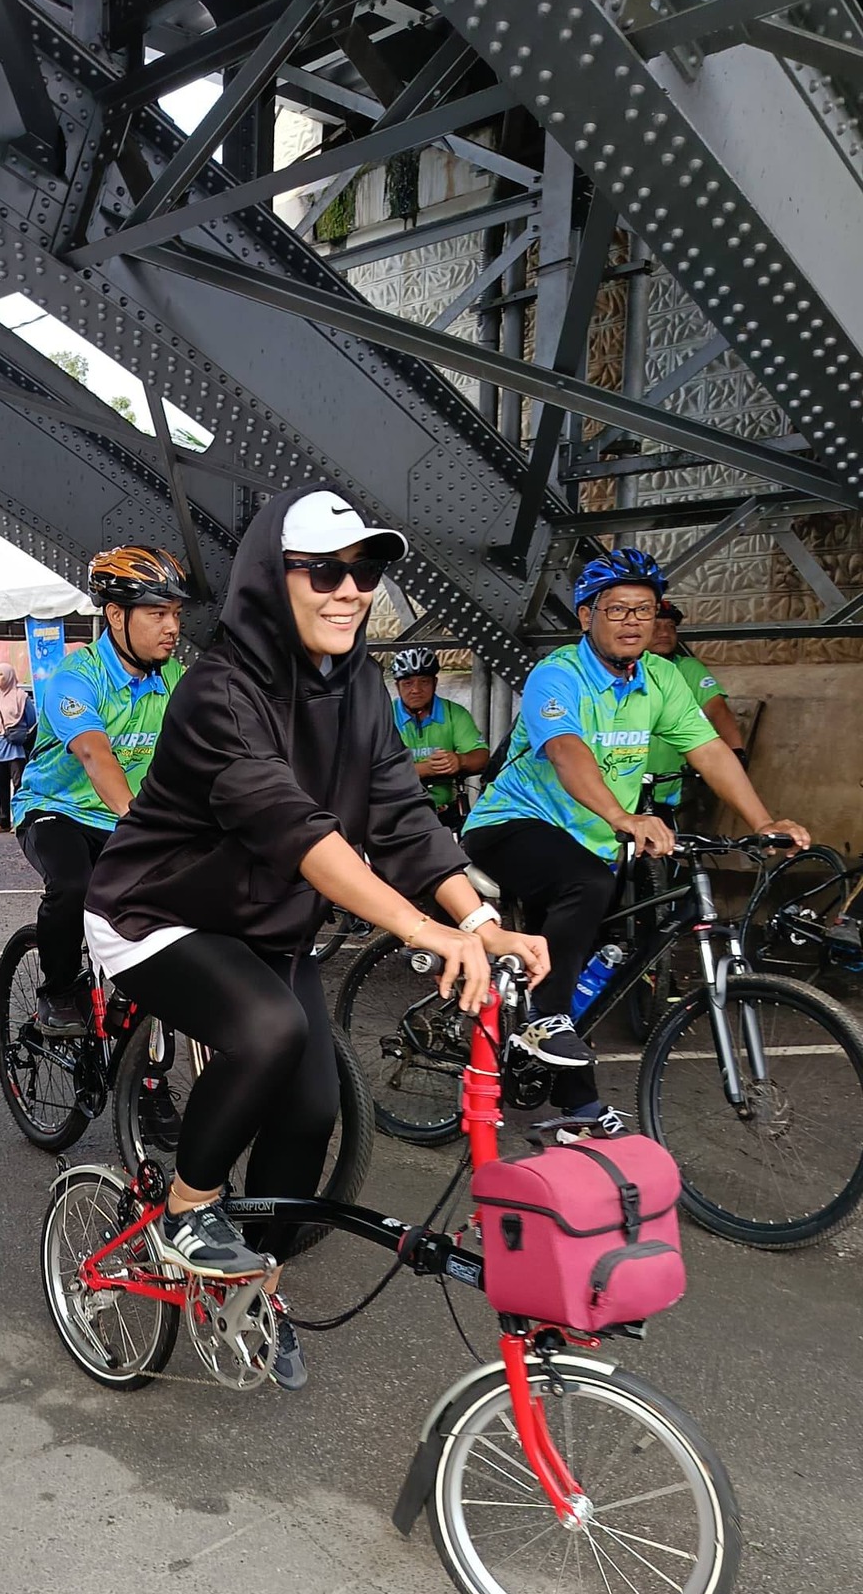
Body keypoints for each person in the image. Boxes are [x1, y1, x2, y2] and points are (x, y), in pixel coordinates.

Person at [84, 490, 548, 1388]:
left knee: (311, 1111)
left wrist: (481, 922)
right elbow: (301, 833)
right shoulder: (219, 690)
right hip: (160, 910)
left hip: (266, 923)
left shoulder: (361, 685)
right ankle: (186, 1206)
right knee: (269, 1031)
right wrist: (422, 928)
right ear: (272, 579)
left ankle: (253, 1282)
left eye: (365, 572)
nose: (350, 591)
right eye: (325, 571)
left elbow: (404, 817)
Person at [463, 546, 809, 1135]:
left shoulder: (662, 677)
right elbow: (566, 753)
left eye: (643, 611)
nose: (630, 621)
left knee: (594, 960)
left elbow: (709, 750)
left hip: (590, 840)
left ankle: (579, 1105)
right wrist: (624, 817)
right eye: (616, 609)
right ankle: (545, 1023)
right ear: (586, 616)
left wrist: (761, 820)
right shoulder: (559, 674)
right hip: (512, 824)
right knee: (586, 883)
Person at [12, 547, 187, 1033]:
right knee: (74, 886)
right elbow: (95, 754)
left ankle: (135, 1046)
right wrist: (139, 817)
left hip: (124, 819)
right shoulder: (77, 675)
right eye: (157, 613)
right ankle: (59, 992)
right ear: (115, 615)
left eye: (175, 613)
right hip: (56, 811)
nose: (172, 626)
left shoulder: (175, 678)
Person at [644, 596, 744, 812]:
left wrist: (736, 753)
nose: (664, 633)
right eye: (656, 626)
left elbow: (717, 709)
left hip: (667, 788)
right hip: (618, 786)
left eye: (670, 627)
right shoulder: (625, 669)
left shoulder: (687, 668)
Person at [388, 645, 488, 830]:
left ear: (435, 683)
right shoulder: (384, 716)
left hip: (444, 812)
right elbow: (371, 770)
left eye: (424, 681)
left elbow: (482, 757)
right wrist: (424, 769)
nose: (416, 689)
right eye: (408, 683)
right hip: (396, 811)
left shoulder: (454, 713)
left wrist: (460, 760)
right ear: (397, 686)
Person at [0, 662, 36, 832]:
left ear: (9, 676)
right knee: (1, 787)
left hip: (16, 747)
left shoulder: (21, 696)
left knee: (19, 785)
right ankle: (3, 821)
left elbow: (32, 720)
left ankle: (19, 820)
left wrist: (20, 733)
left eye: (1, 675)